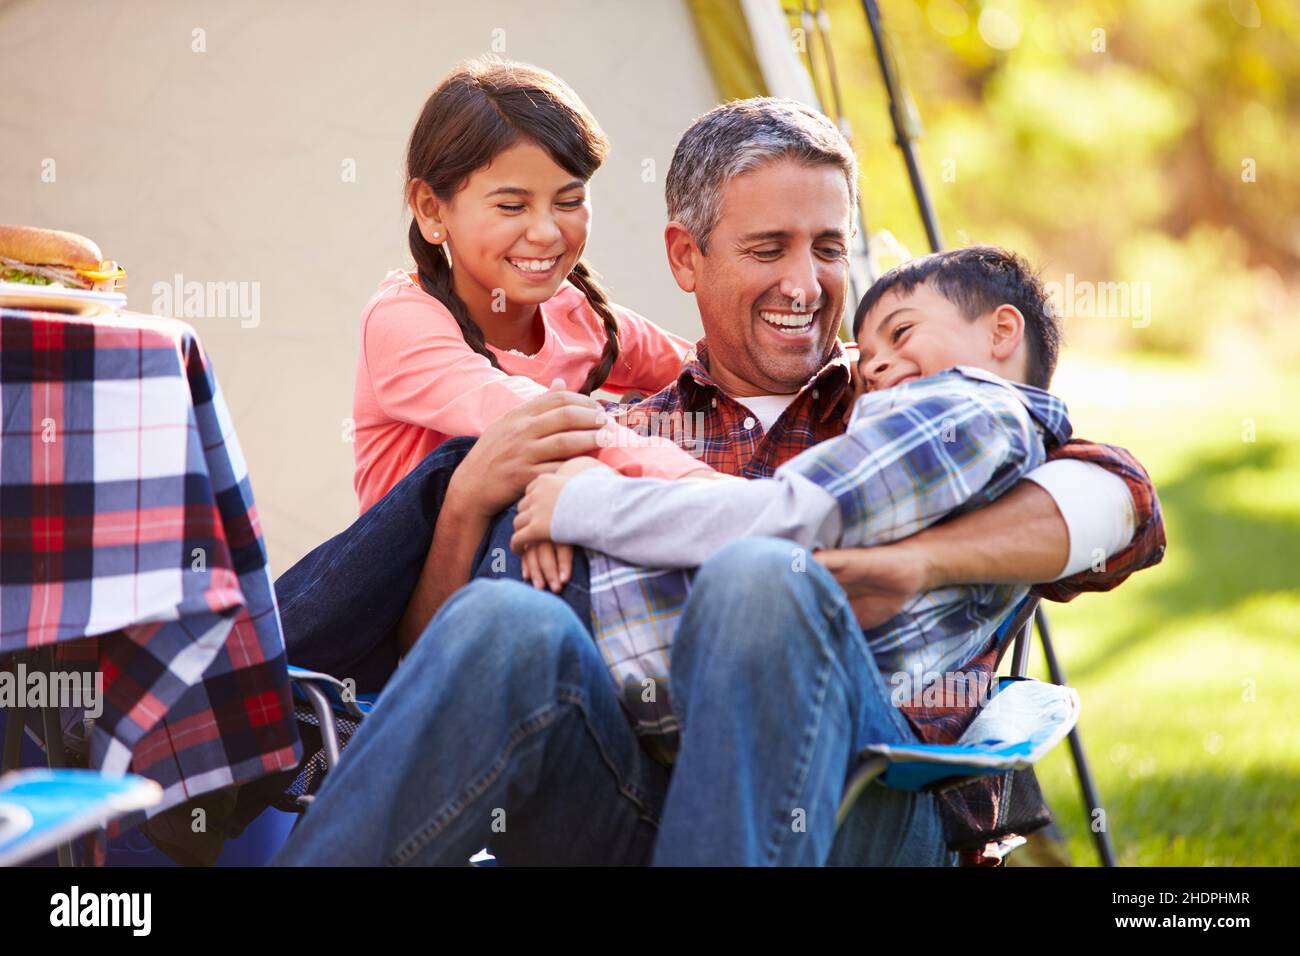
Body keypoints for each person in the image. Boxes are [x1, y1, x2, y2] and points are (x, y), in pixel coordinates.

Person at [275, 98, 1164, 866]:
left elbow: (1124, 498)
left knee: (758, 578)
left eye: (827, 248)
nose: (805, 284)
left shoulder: (904, 403)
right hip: (634, 803)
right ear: (686, 259)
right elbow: (426, 662)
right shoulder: (614, 435)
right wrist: (469, 506)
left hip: (868, 805)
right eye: (768, 247)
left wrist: (917, 561)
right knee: (506, 621)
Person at [510, 245, 1073, 757]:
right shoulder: (658, 419)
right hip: (658, 700)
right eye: (764, 249)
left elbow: (791, 519)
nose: (872, 366)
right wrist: (581, 460)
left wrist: (584, 502)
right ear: (687, 256)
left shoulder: (965, 414)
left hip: (691, 685)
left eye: (900, 334)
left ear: (1002, 332)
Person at [276, 55, 716, 684]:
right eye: (511, 206)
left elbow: (709, 371)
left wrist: (856, 365)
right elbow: (528, 417)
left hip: (535, 587)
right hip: (404, 626)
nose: (545, 232)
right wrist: (715, 497)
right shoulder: (403, 320)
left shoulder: (583, 318)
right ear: (432, 210)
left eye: (569, 201)